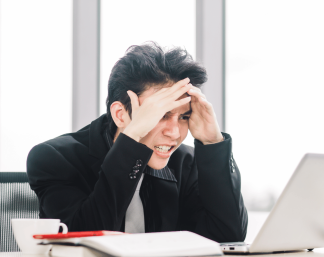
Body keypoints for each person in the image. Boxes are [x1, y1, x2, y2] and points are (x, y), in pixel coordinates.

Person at [26, 42, 248, 242]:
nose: (174, 133)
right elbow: (85, 239)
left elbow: (228, 237)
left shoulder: (187, 163)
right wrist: (132, 141)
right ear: (121, 115)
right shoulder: (54, 158)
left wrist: (211, 142)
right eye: (160, 114)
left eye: (184, 117)